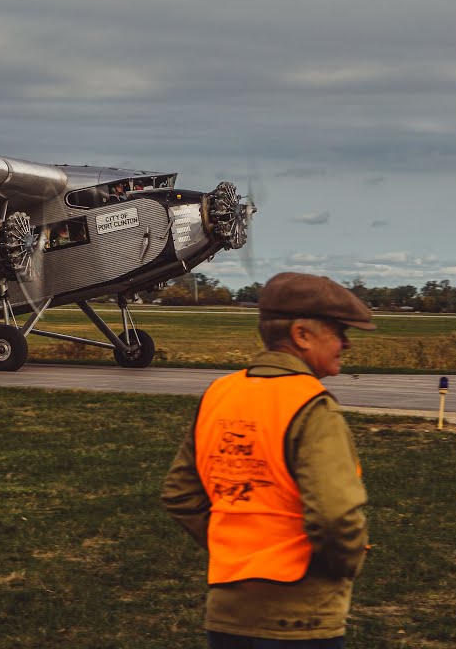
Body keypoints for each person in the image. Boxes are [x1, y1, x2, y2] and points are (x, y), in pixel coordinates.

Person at [160, 272, 375, 648]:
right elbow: (335, 516)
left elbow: (180, 494)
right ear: (302, 335)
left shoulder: (221, 393)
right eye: (338, 331)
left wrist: (236, 549)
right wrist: (343, 567)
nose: (347, 343)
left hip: (227, 615)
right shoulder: (313, 406)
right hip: (301, 619)